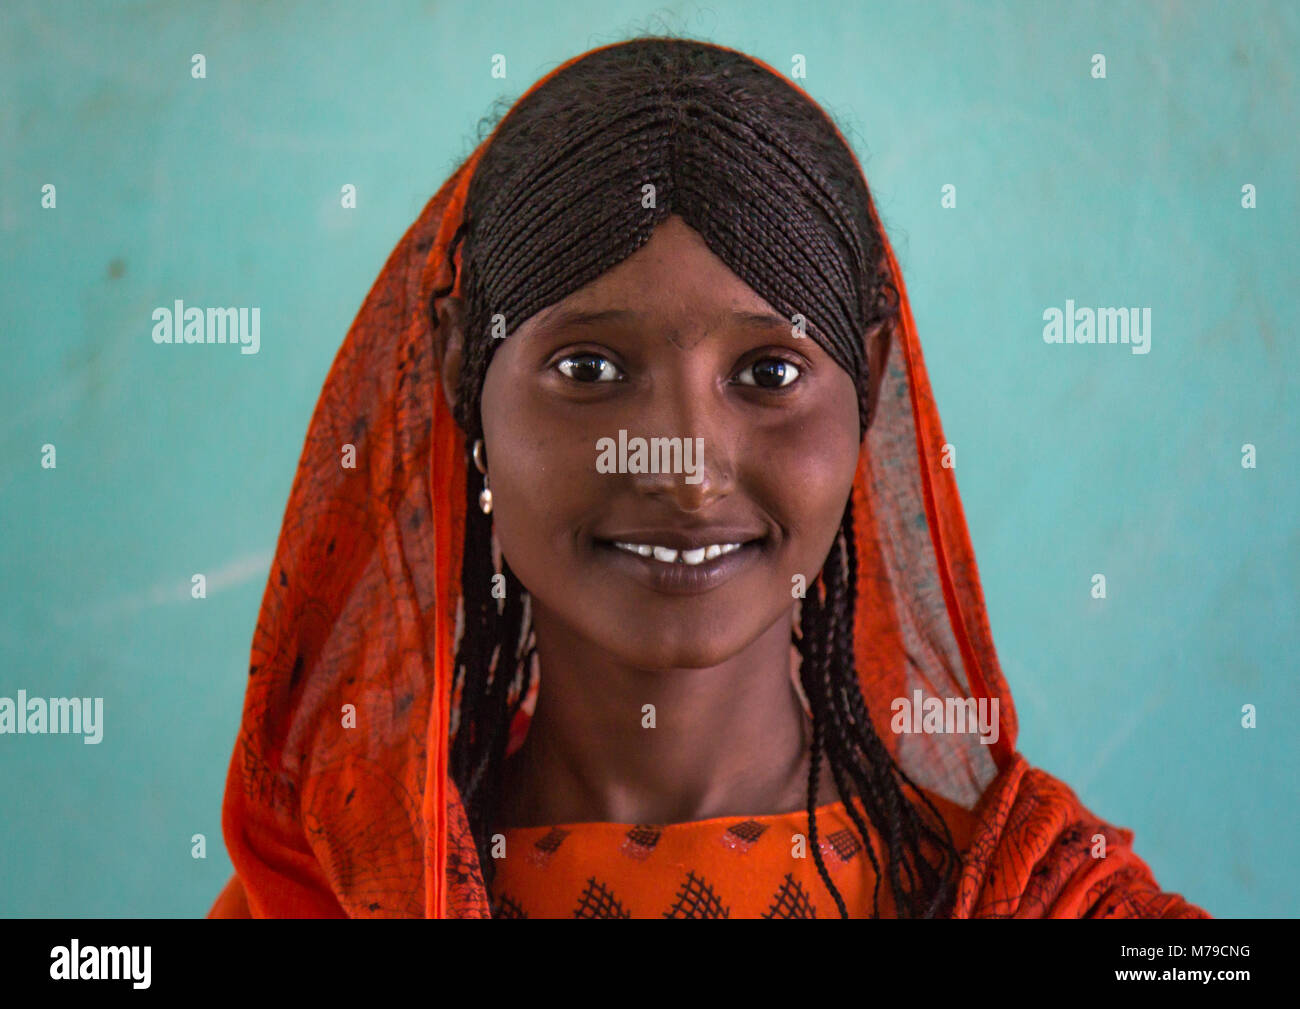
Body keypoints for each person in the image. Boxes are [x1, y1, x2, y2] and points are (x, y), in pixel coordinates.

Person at [209, 37, 1209, 918]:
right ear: (459, 368)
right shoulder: (325, 898)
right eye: (588, 369)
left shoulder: (1045, 905)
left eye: (769, 373)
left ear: (865, 378)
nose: (683, 470)